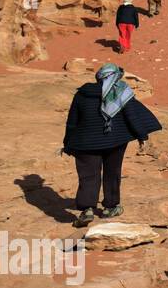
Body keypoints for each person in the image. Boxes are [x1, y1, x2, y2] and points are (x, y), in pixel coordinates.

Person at [61, 63, 162, 227]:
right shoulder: (120, 92)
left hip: (86, 143)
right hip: (114, 141)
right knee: (112, 172)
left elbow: (72, 121)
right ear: (114, 77)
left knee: (88, 175)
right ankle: (111, 207)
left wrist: (67, 142)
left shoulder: (82, 93)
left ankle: (87, 209)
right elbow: (132, 116)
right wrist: (142, 135)